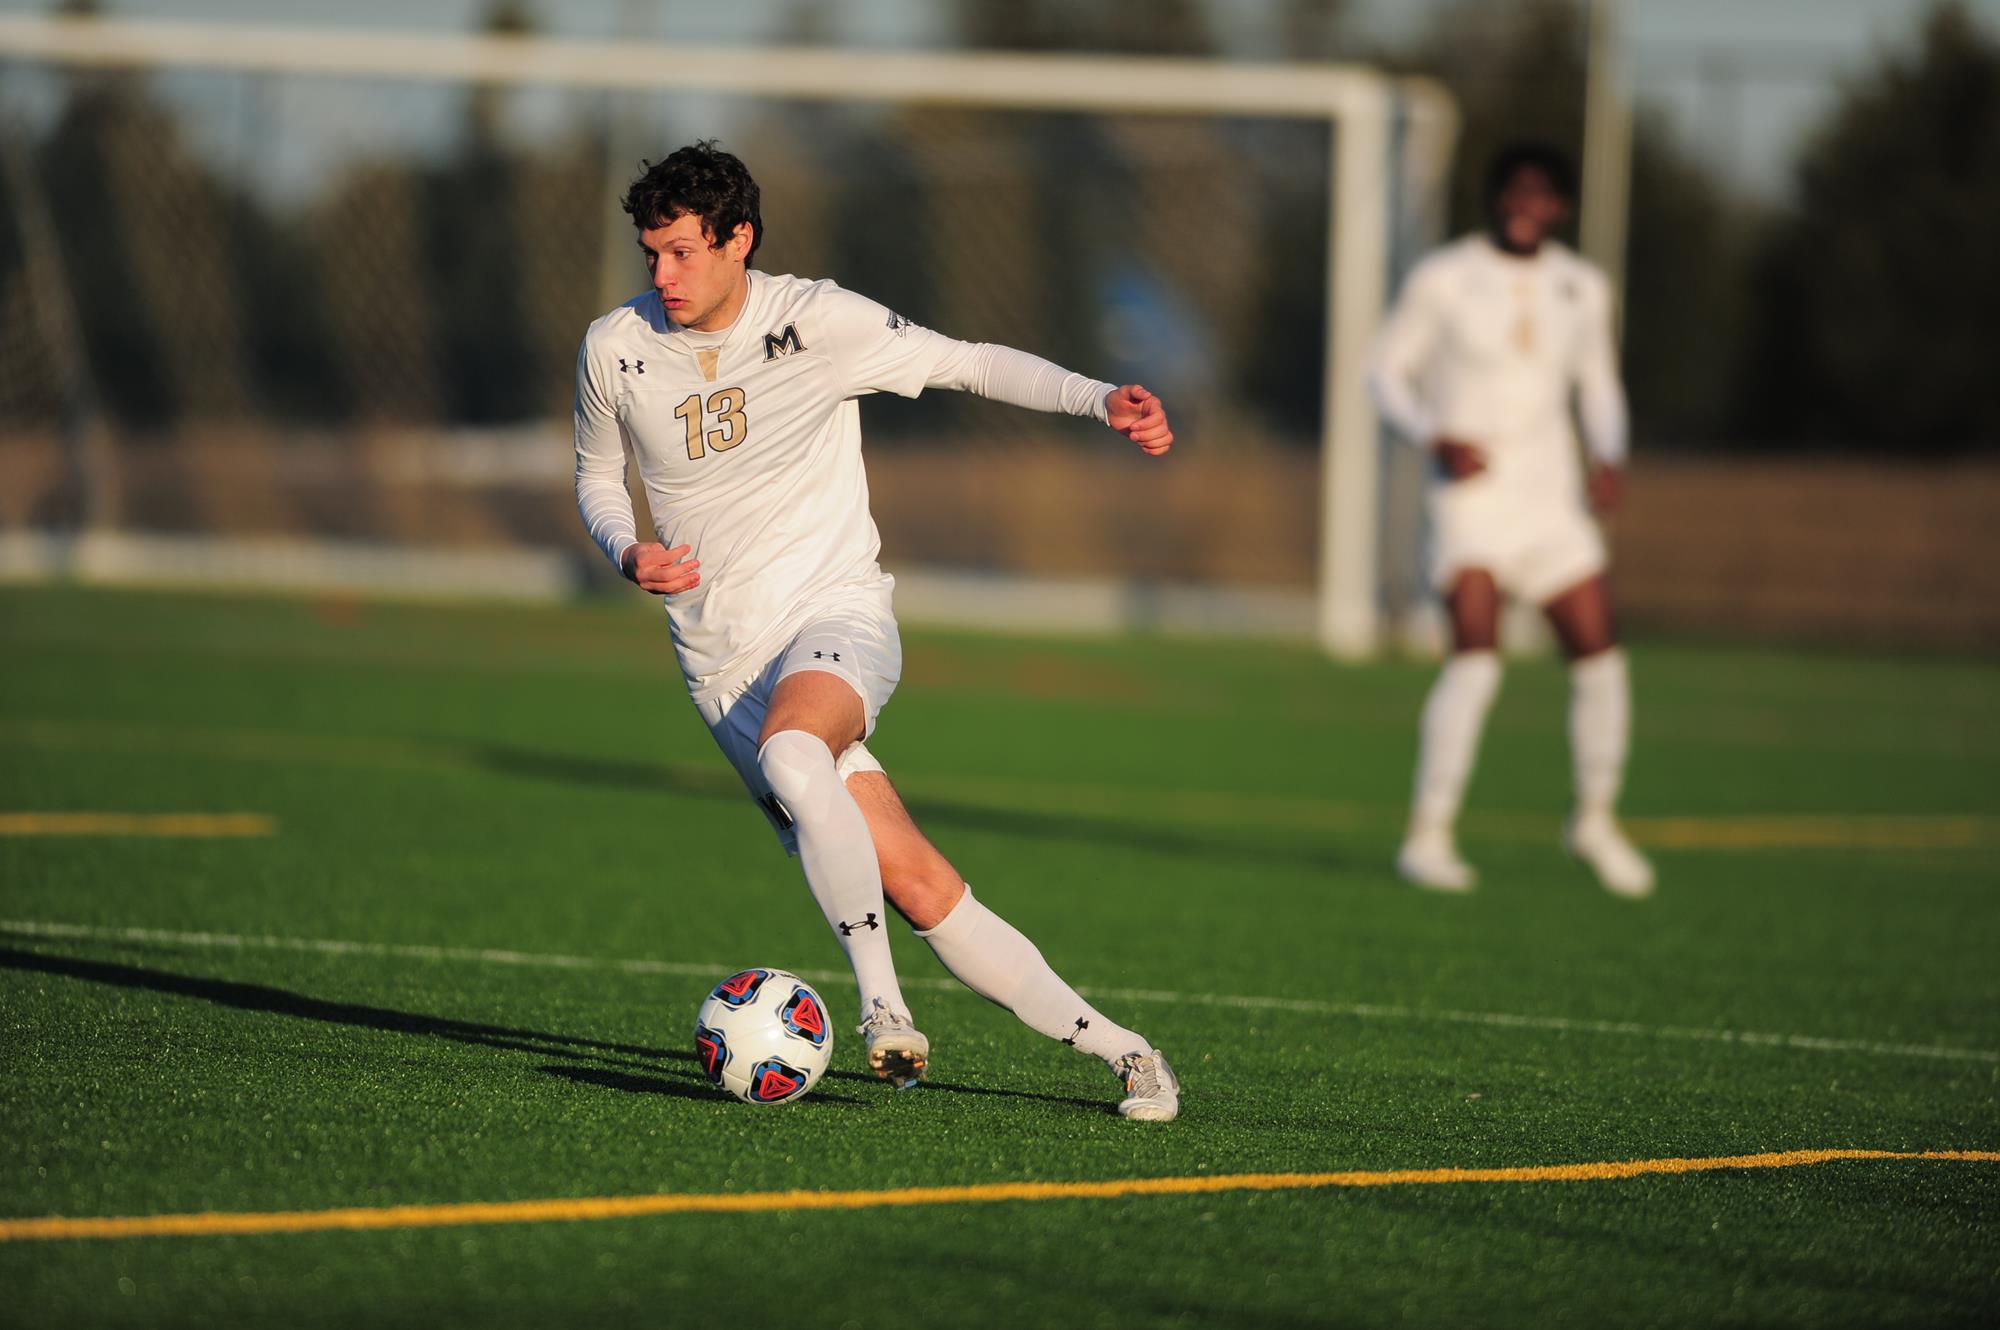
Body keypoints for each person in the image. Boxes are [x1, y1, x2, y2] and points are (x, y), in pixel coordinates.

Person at [573, 141, 1181, 1118]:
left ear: (740, 240)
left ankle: (881, 1009)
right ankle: (1127, 1052)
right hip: (718, 666)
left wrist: (1097, 398)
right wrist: (625, 550)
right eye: (651, 254)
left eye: (683, 252)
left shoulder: (818, 320)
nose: (662, 275)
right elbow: (597, 473)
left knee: (793, 751)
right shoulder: (615, 346)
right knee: (918, 879)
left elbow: (966, 363)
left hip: (833, 612)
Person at [1368, 141, 1655, 899]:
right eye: (1515, 190)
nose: (1528, 205)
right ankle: (1428, 835)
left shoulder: (1582, 288)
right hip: (1470, 504)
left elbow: (1597, 384)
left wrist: (1611, 455)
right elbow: (1384, 370)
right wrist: (1432, 435)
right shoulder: (1446, 278)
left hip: (1550, 502)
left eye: (1544, 194)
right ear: (1496, 197)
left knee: (1600, 659)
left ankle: (1593, 818)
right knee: (1475, 661)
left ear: (1559, 207)